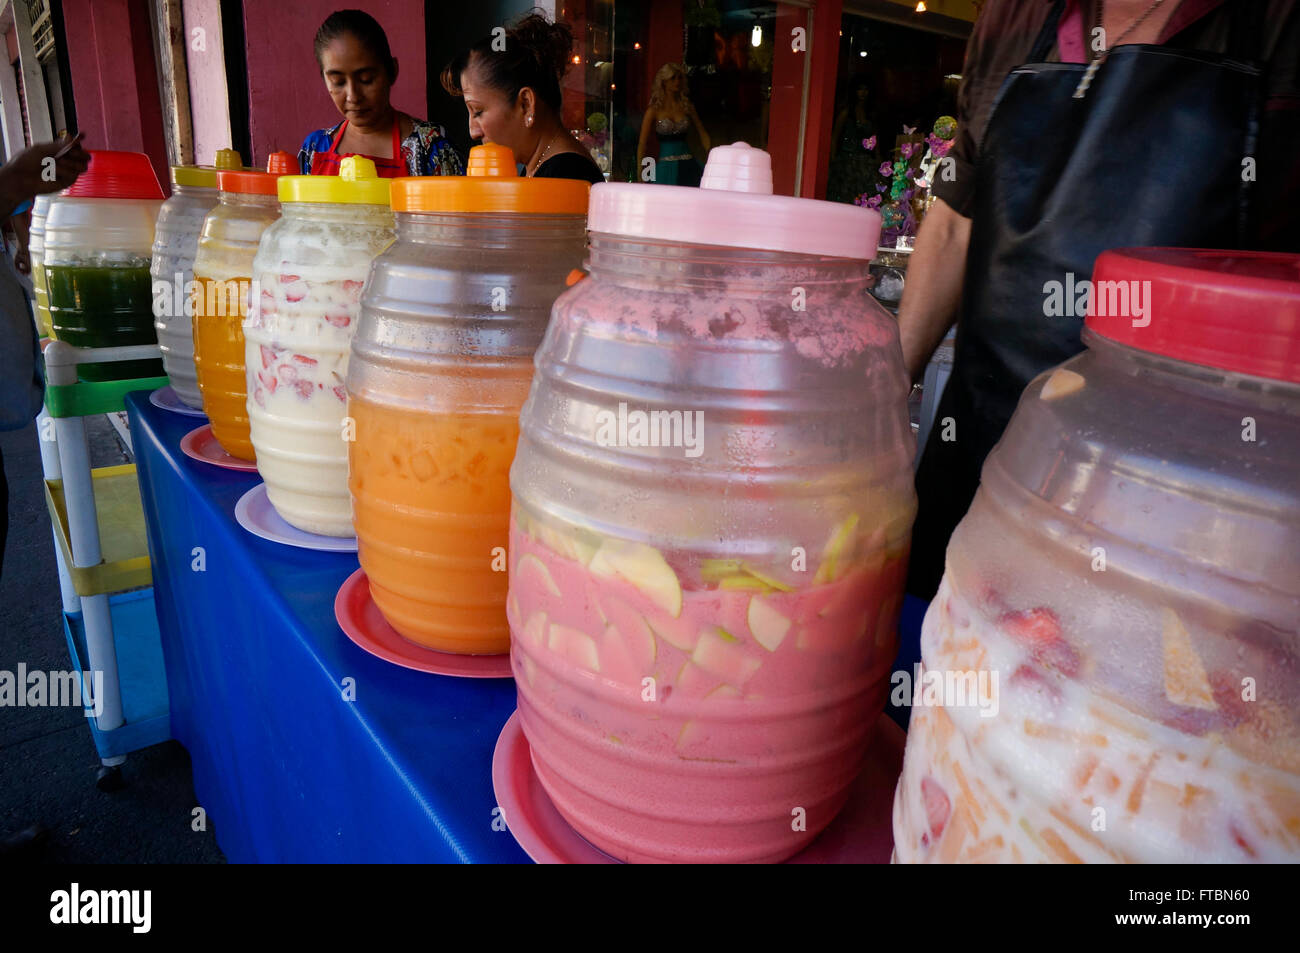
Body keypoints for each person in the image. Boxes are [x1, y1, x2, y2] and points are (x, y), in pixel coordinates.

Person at [898, 0, 1300, 609]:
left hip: (1170, 510)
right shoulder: (1014, 16)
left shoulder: (1280, 23)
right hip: (979, 455)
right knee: (938, 663)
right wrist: (878, 394)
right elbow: (956, 222)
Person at [441, 12, 604, 184]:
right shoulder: (538, 166)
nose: (473, 132)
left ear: (526, 105)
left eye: (478, 112)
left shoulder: (565, 176)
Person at [298, 9, 463, 177]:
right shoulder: (314, 149)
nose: (353, 96)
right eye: (338, 82)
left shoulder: (431, 147)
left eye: (366, 79)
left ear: (392, 71)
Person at [637, 63, 711, 186]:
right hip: (664, 168)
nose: (677, 81)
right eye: (673, 78)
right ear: (664, 82)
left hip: (689, 165)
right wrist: (641, 172)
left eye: (679, 78)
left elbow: (702, 133)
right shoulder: (654, 110)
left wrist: (711, 157)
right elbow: (642, 144)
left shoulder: (687, 106)